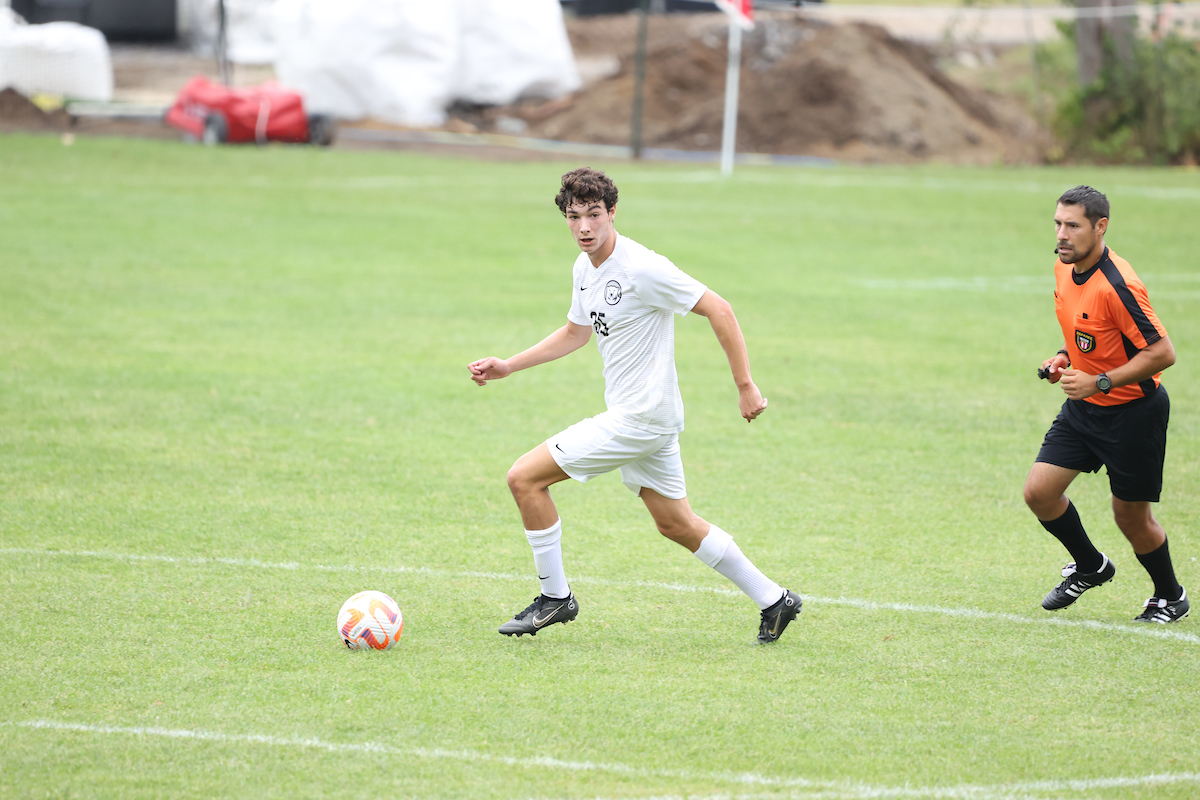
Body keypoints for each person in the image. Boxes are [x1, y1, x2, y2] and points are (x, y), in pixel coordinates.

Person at [468, 167, 801, 643]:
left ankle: (555, 597)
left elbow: (719, 308)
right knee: (676, 523)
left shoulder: (643, 267)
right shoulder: (585, 269)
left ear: (612, 213)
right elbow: (574, 333)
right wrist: (509, 365)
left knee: (524, 478)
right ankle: (775, 599)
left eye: (594, 215)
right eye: (573, 216)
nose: (584, 227)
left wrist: (745, 385)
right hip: (651, 419)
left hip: (639, 418)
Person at [1024, 185, 1188, 623]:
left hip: (1134, 414)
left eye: (1072, 226)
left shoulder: (1119, 285)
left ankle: (1170, 596)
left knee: (1130, 517)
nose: (1062, 234)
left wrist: (1098, 380)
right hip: (1085, 409)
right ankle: (1091, 565)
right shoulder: (1065, 267)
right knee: (1039, 492)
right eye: (1058, 223)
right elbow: (1087, 329)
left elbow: (1162, 354)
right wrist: (1064, 356)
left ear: (1100, 227)